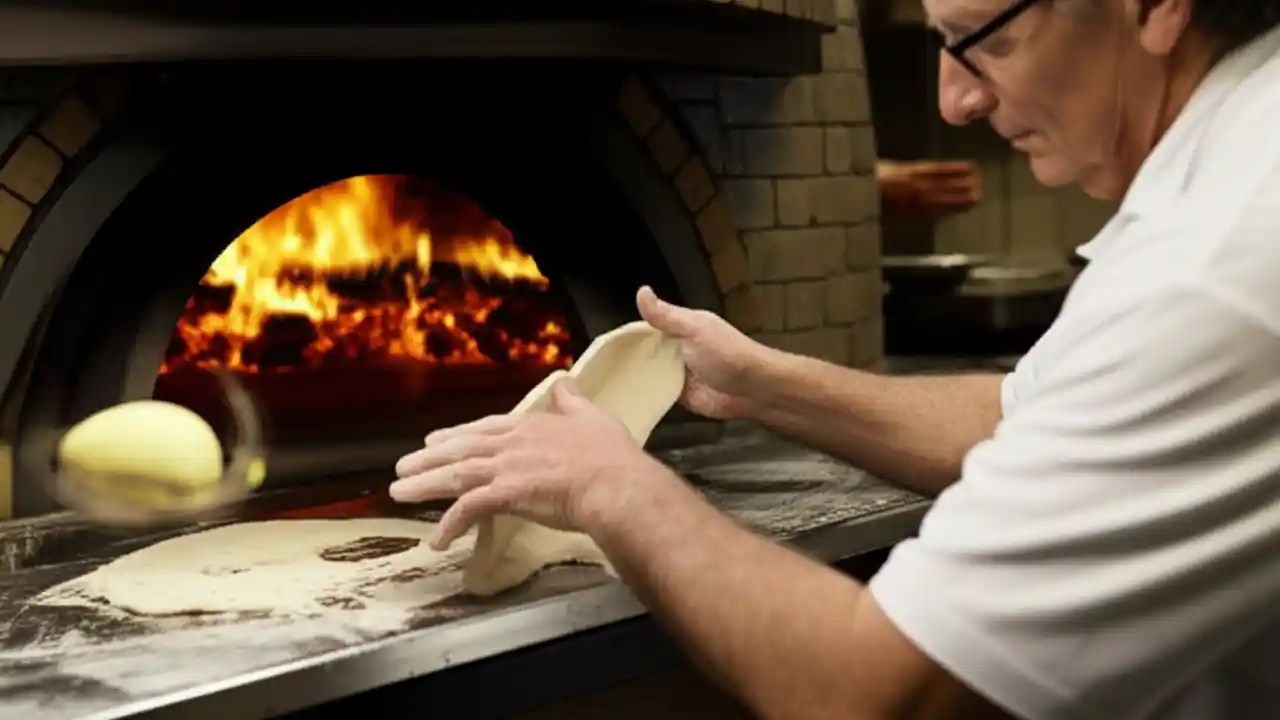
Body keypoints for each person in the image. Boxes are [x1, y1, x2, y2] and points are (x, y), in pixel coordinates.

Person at [391, 1, 1280, 717]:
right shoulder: (1244, 157)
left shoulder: (1210, 265)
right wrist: (761, 383)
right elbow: (1036, 421)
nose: (953, 102)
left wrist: (609, 487)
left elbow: (876, 691)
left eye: (984, 41)